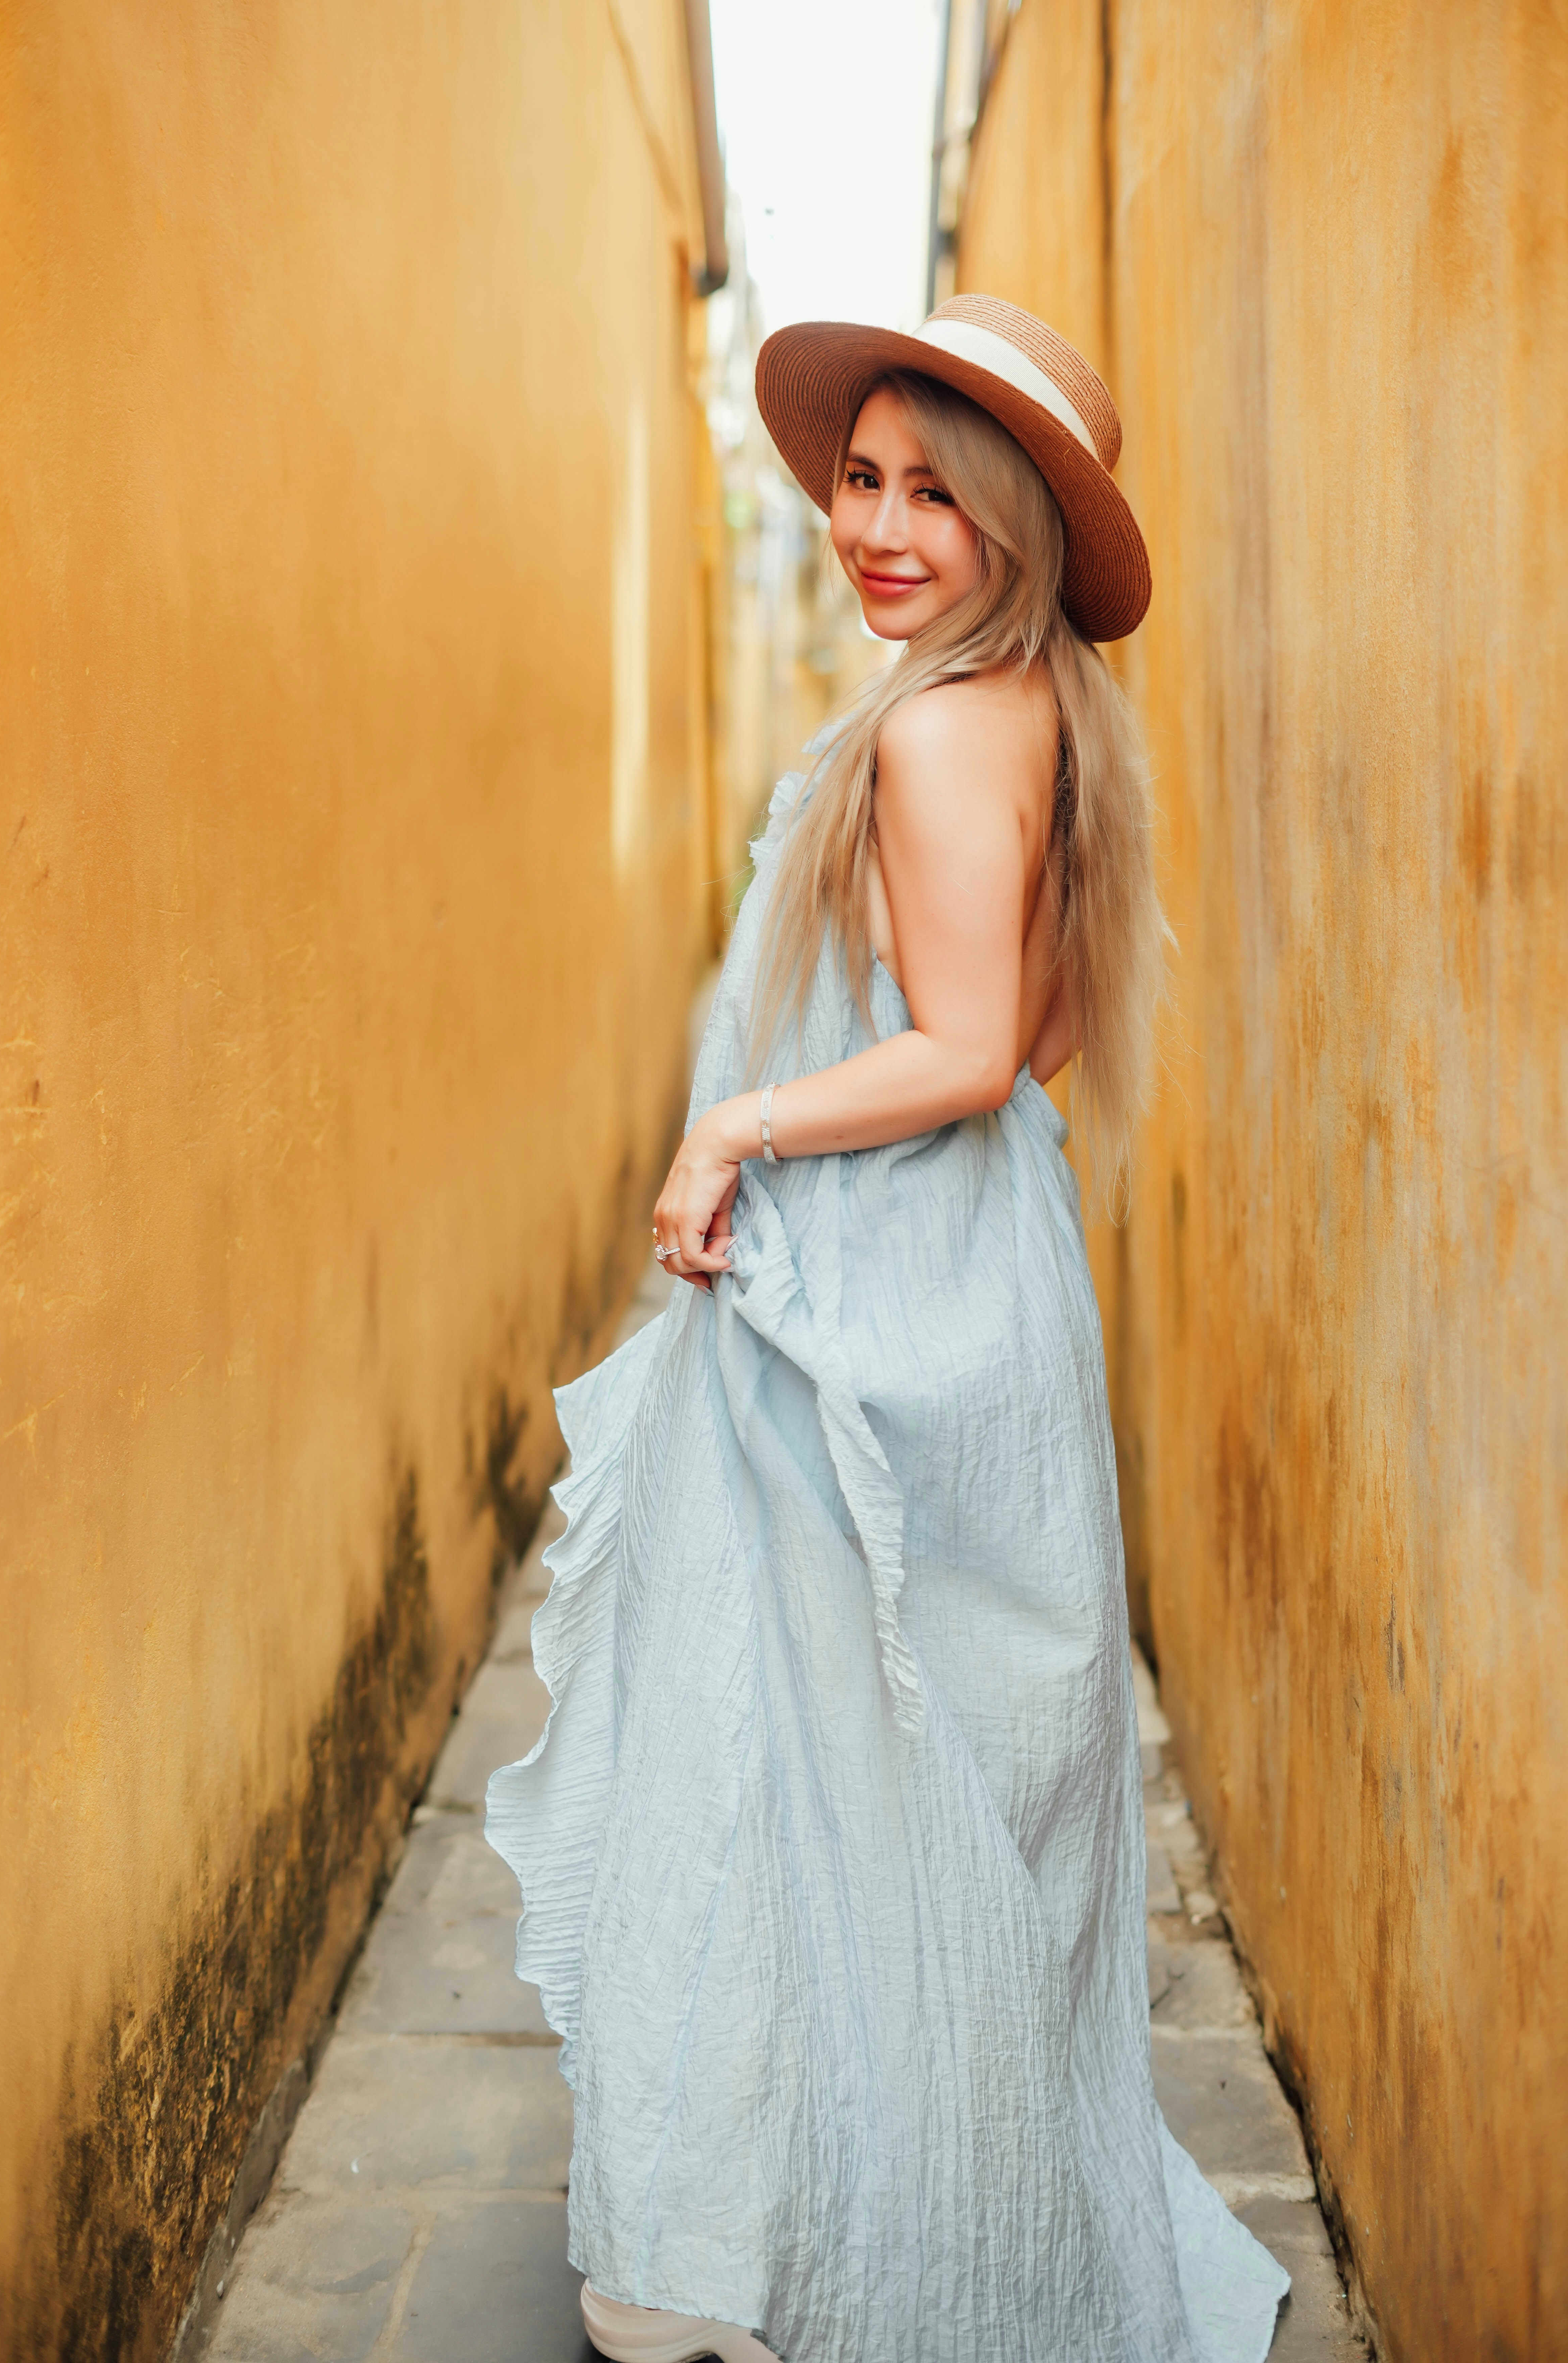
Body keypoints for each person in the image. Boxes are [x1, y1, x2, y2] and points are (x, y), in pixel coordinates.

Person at [487, 295, 1289, 2363]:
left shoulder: (939, 730)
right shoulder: (1038, 712)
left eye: (938, 490)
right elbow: (1040, 1038)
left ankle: (794, 2240)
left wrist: (733, 1126)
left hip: (875, 1298)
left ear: (1017, 523)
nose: (879, 525)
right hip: (979, 1277)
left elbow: (953, 1044)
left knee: (821, 1757)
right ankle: (857, 2212)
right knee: (911, 1774)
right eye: (863, 479)